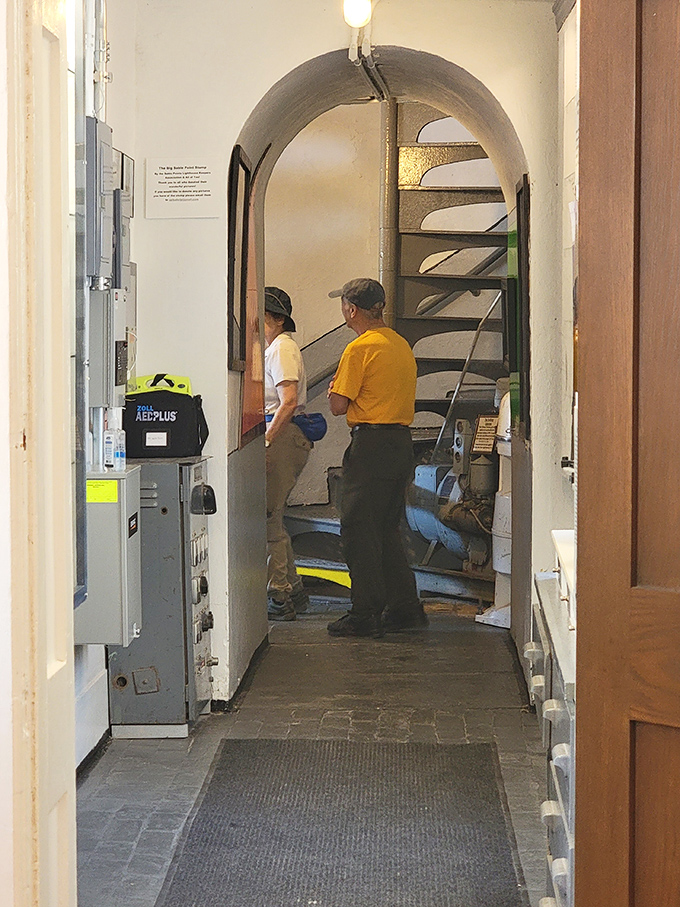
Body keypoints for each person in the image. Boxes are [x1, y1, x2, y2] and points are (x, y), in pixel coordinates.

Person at [325, 277, 428, 638]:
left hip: (370, 446)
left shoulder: (360, 349)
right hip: (400, 443)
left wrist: (334, 391)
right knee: (386, 529)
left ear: (351, 309)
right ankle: (405, 608)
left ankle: (365, 613)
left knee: (357, 529)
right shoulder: (399, 344)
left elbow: (338, 405)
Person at [263, 286, 312, 621]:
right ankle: (293, 588)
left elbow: (289, 401)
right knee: (273, 516)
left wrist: (267, 438)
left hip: (282, 436)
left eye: (261, 317)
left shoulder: (281, 349)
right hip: (284, 436)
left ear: (278, 319)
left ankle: (279, 595)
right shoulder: (275, 348)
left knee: (268, 520)